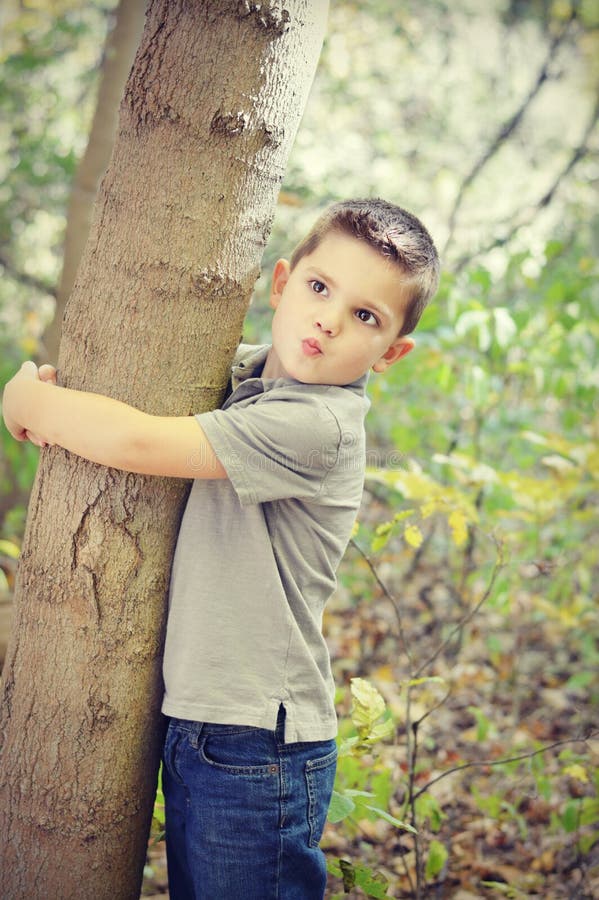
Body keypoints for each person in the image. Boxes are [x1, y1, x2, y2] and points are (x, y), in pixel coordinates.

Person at [2, 198, 439, 899]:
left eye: (365, 316)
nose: (328, 319)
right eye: (319, 288)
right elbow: (134, 401)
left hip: (256, 743)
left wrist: (27, 403)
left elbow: (141, 442)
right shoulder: (251, 380)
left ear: (391, 353)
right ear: (280, 283)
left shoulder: (318, 424)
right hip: (208, 722)